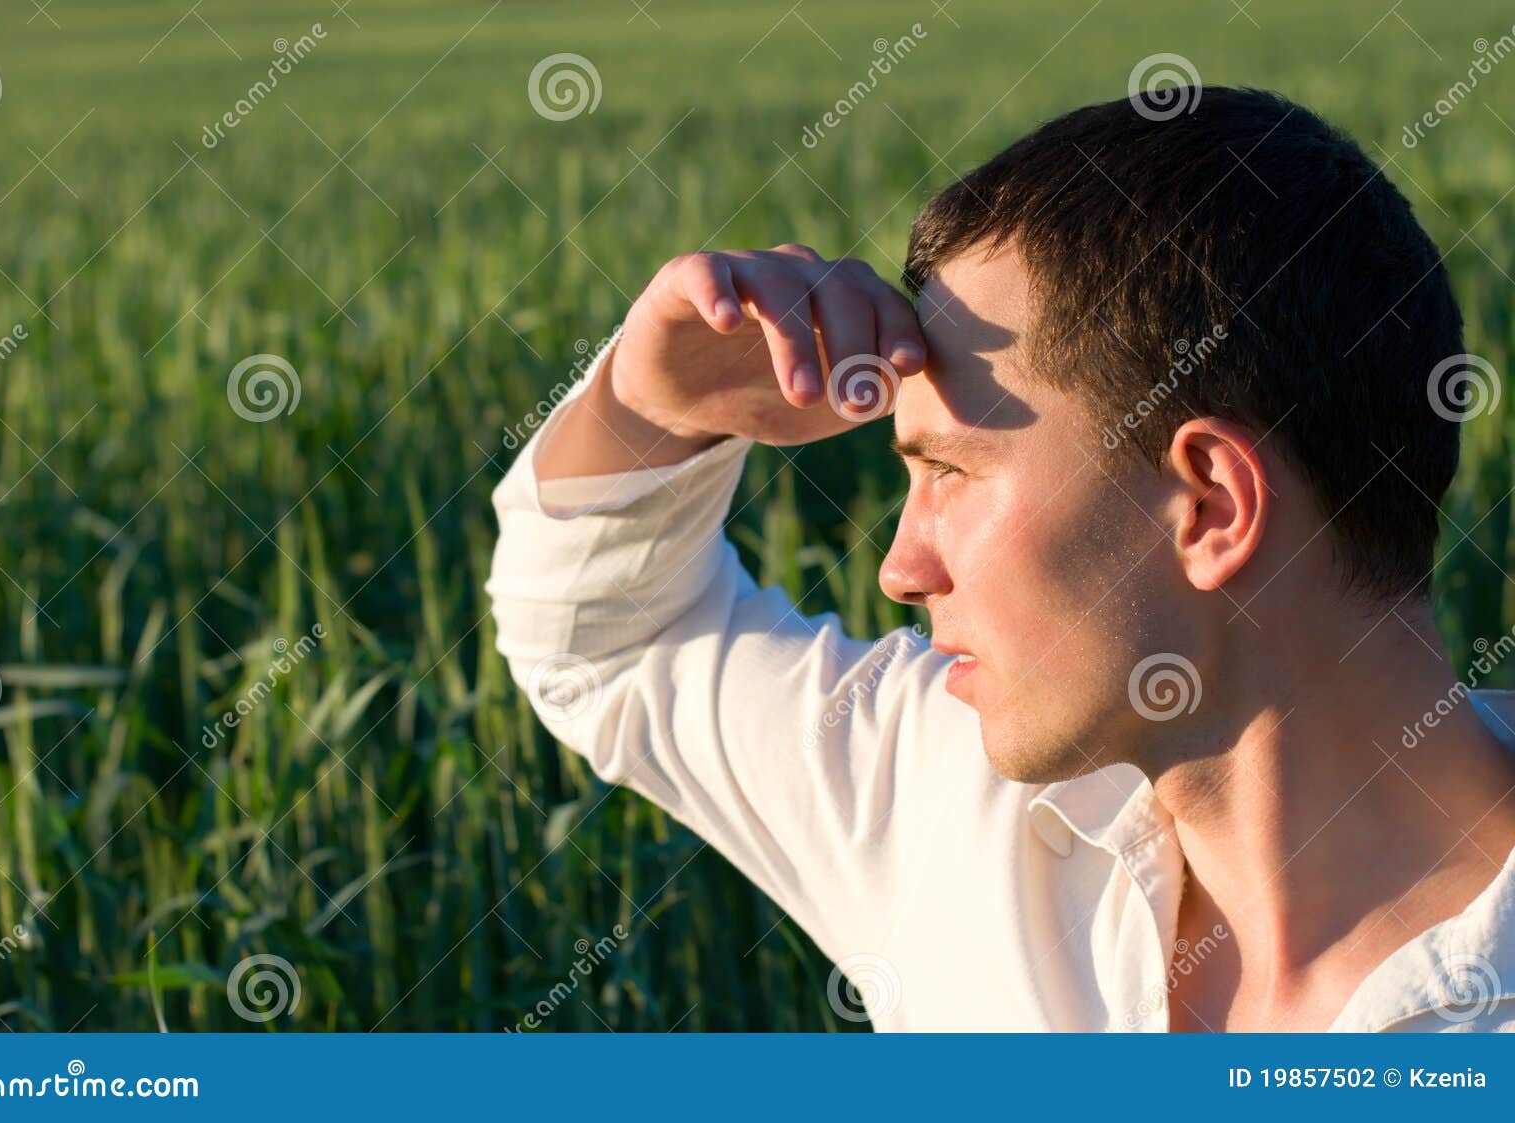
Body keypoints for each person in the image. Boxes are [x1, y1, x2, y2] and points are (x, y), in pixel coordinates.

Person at [487, 86, 1515, 1031]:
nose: (901, 567)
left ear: (1207, 504)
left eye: (951, 473)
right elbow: (609, 643)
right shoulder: (951, 801)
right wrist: (648, 408)